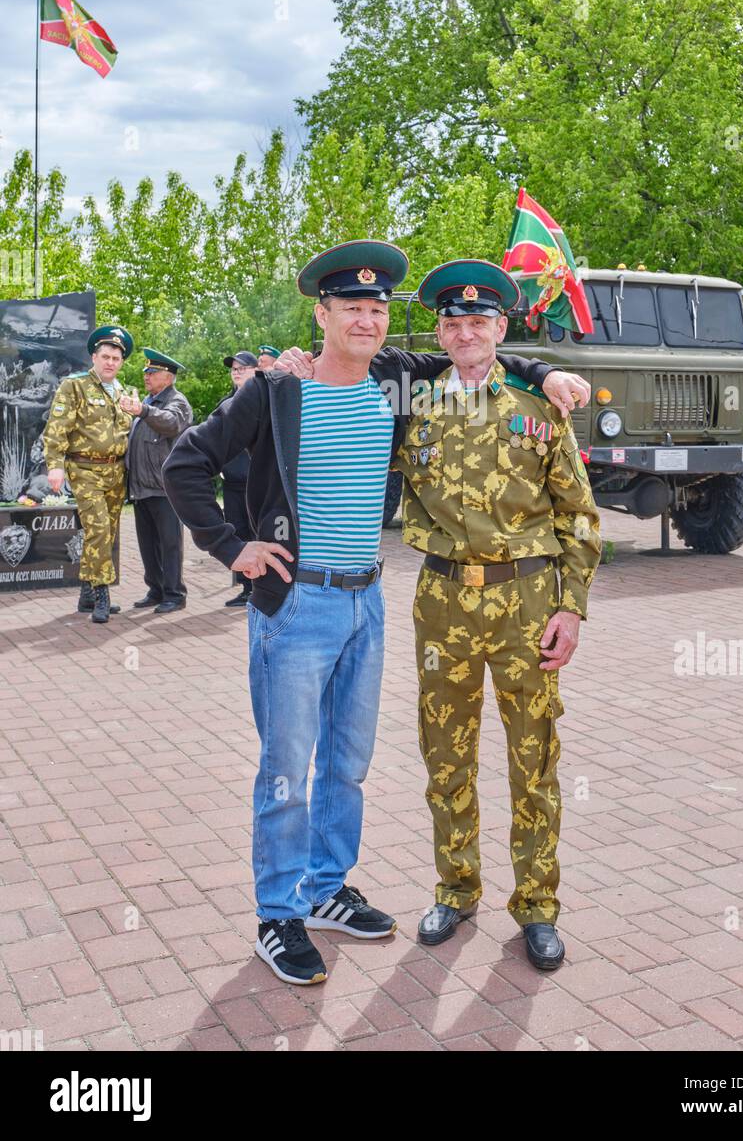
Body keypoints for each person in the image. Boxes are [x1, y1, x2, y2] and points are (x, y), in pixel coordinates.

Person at [162, 239, 586, 989]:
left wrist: (547, 369)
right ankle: (279, 914)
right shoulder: (276, 391)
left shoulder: (397, 382)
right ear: (321, 313)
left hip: (370, 601)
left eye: (377, 307)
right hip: (297, 602)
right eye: (351, 306)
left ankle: (326, 889)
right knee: (289, 765)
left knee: (348, 764)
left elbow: (484, 361)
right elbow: (185, 462)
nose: (366, 317)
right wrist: (233, 547)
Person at [395, 260, 602, 972]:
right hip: (443, 600)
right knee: (444, 755)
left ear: (500, 329)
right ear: (442, 333)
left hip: (526, 603)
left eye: (478, 321)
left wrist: (570, 609)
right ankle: (455, 889)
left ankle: (538, 907)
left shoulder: (540, 409)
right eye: (452, 322)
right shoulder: (414, 408)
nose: (464, 332)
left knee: (533, 759)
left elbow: (579, 516)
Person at [42, 325, 135, 623]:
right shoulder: (74, 386)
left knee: (107, 534)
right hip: (84, 469)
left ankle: (86, 590)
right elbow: (56, 429)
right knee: (97, 530)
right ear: (94, 357)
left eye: (116, 359)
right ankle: (102, 594)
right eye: (105, 356)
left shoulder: (124, 390)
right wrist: (54, 464)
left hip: (116, 471)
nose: (110, 362)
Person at [122, 349, 193, 614]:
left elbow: (171, 423)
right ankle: (156, 589)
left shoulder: (177, 401)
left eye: (152, 373)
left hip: (165, 489)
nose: (147, 377)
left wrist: (142, 410)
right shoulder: (148, 400)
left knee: (169, 544)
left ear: (168, 376)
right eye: (146, 372)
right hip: (142, 487)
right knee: (148, 545)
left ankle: (175, 594)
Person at [219, 351, 258, 607]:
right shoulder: (226, 402)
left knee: (257, 535)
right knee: (239, 535)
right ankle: (246, 588)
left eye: (242, 368)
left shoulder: (263, 398)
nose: (236, 372)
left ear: (255, 370)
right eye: (234, 368)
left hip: (255, 483)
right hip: (231, 483)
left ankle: (261, 588)